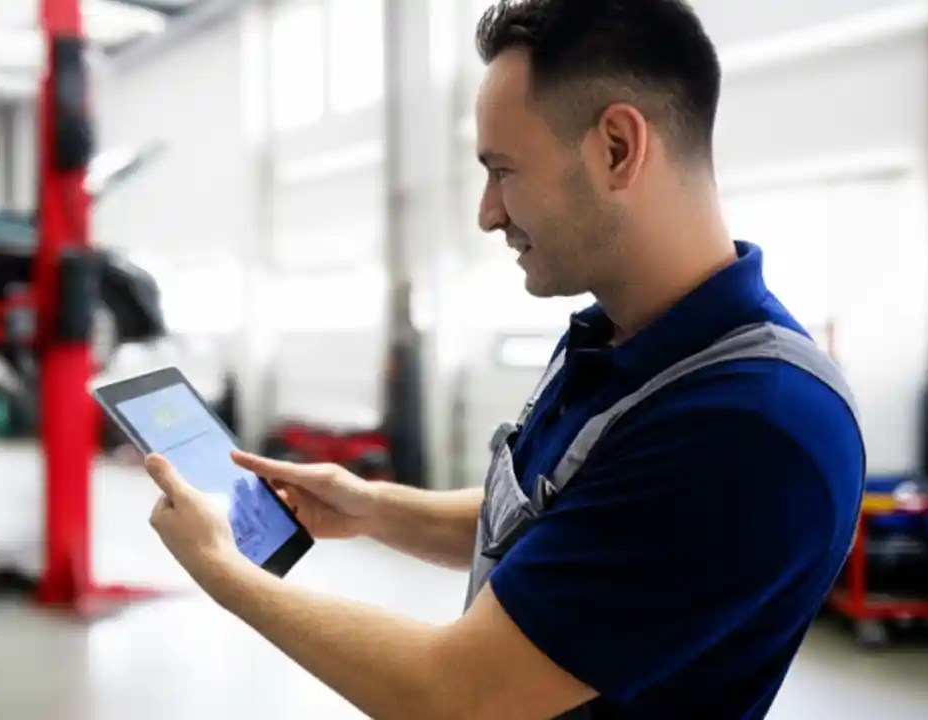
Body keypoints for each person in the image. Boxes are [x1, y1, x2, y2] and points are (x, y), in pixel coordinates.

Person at [143, 0, 866, 717]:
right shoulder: (614, 338)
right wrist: (373, 508)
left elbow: (462, 697)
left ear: (617, 148)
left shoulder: (750, 426)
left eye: (503, 170)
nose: (488, 212)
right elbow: (567, 526)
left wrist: (221, 568)